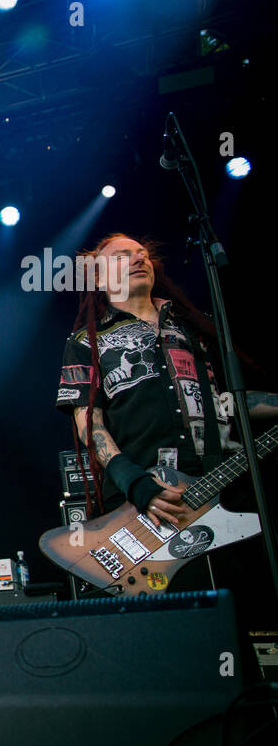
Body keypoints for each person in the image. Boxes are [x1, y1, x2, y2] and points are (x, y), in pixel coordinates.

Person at [55, 232, 277, 591]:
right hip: (143, 500)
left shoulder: (193, 325)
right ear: (98, 277)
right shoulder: (85, 342)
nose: (139, 259)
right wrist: (135, 483)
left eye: (142, 254)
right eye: (123, 256)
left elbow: (225, 400)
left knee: (240, 614)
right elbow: (87, 423)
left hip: (220, 486)